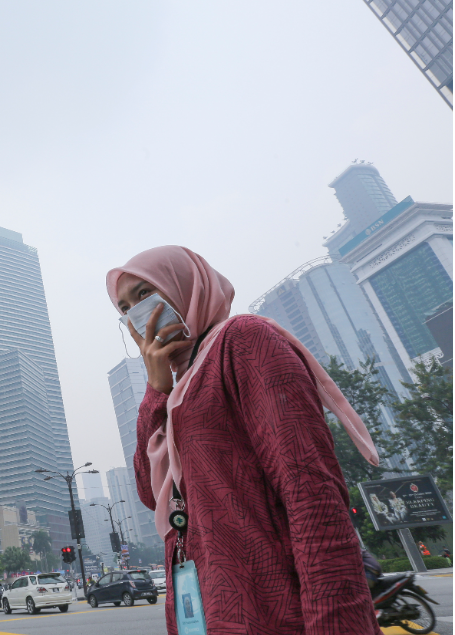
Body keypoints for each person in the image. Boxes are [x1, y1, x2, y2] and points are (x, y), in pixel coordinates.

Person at [106, 246, 380, 634]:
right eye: (124, 307)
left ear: (186, 285)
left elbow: (310, 491)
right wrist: (156, 390)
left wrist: (335, 623)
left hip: (276, 610)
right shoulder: (173, 389)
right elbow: (151, 495)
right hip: (210, 609)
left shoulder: (244, 341)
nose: (137, 311)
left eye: (145, 293)